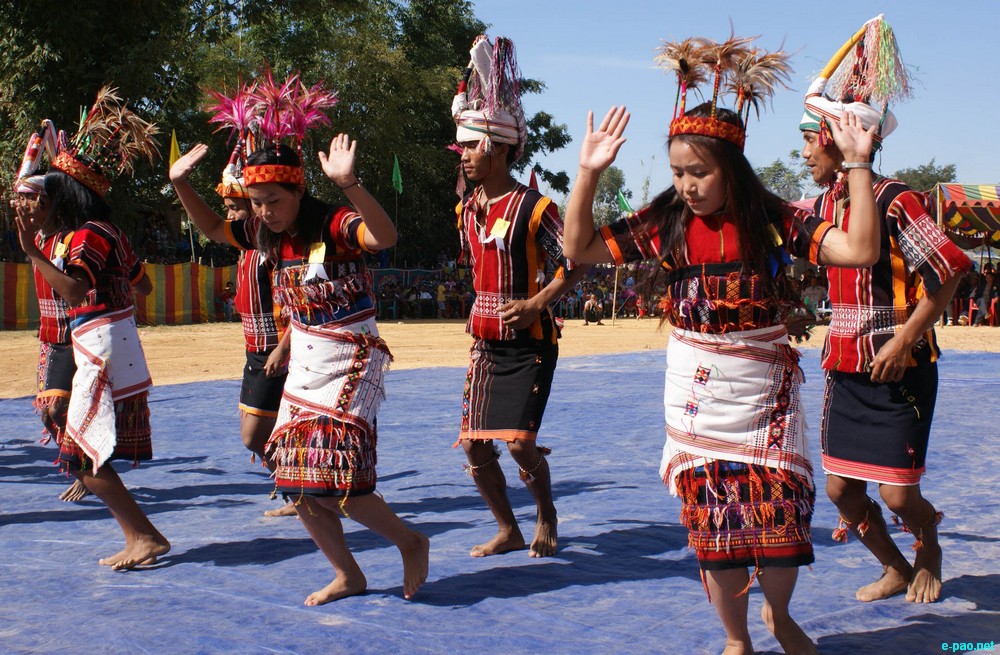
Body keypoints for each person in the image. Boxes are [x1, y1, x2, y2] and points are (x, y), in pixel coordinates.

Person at [564, 33, 884, 654]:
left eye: (699, 172)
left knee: (778, 523)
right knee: (717, 527)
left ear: (730, 167)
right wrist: (587, 172)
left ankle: (780, 615)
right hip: (698, 400)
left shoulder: (772, 219)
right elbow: (577, 250)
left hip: (763, 401)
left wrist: (857, 165)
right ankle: (737, 639)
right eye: (678, 171)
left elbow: (861, 250)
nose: (685, 184)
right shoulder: (666, 224)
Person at [799, 16, 972, 605]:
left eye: (808, 139)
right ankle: (896, 566)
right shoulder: (821, 204)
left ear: (836, 138)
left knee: (897, 495)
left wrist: (903, 341)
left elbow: (950, 271)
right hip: (845, 368)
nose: (803, 154)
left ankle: (928, 542)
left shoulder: (896, 199)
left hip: (902, 367)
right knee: (843, 492)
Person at [241, 72, 427, 604]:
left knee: (334, 478)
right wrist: (282, 343)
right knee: (294, 481)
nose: (263, 211)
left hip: (350, 359)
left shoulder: (334, 223)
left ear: (297, 188)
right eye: (256, 201)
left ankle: (410, 541)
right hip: (303, 361)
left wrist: (349, 184)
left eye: (272, 200)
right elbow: (217, 232)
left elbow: (384, 237)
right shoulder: (269, 237)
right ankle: (348, 573)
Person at [15, 87, 169, 570]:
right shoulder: (106, 234)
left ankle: (145, 536)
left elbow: (76, 294)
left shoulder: (88, 236)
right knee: (82, 455)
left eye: (48, 195)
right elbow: (142, 288)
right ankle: (142, 535)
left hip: (99, 346)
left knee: (81, 455)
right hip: (103, 343)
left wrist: (34, 253)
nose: (42, 204)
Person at [451, 35, 587, 559]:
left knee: (519, 443)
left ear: (499, 148)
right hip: (485, 342)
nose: (462, 156)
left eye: (470, 146)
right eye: (461, 146)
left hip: (530, 343)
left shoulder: (537, 206)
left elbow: (576, 262)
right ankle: (507, 527)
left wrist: (536, 304)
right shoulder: (467, 209)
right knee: (473, 444)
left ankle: (546, 512)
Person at [169, 127, 295, 518]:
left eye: (236, 207)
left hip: (280, 350)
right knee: (259, 433)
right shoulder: (246, 248)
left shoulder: (277, 245)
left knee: (253, 435)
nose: (231, 214)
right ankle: (298, 489)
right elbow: (209, 227)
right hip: (256, 351)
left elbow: (302, 304)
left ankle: (304, 490)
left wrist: (282, 346)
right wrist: (179, 182)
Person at [11, 123, 90, 503]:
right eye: (22, 202)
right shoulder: (37, 238)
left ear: (50, 204)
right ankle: (83, 467)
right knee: (49, 414)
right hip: (51, 338)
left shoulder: (74, 237)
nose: (24, 208)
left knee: (61, 408)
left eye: (31, 202)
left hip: (80, 335)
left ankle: (88, 471)